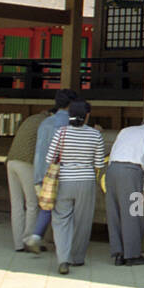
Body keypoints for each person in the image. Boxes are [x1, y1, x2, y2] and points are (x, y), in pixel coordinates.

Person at [43, 100, 106, 275]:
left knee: (61, 220)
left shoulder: (61, 133)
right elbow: (99, 162)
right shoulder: (95, 135)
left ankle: (63, 259)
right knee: (83, 221)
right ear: (87, 116)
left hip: (64, 181)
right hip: (86, 181)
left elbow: (50, 158)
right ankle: (77, 257)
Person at [23, 89, 79, 253]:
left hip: (40, 172)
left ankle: (36, 235)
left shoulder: (46, 122)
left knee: (47, 206)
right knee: (63, 212)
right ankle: (63, 249)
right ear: (71, 104)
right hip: (58, 173)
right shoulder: (69, 123)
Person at [105, 116, 144, 266]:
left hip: (112, 171)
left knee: (115, 212)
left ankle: (118, 254)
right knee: (134, 212)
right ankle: (132, 255)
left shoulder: (125, 130)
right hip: (132, 172)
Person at [5, 111, 47, 251]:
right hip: (26, 162)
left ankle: (18, 243)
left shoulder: (31, 119)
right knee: (32, 203)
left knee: (16, 203)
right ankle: (29, 240)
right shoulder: (46, 122)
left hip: (11, 161)